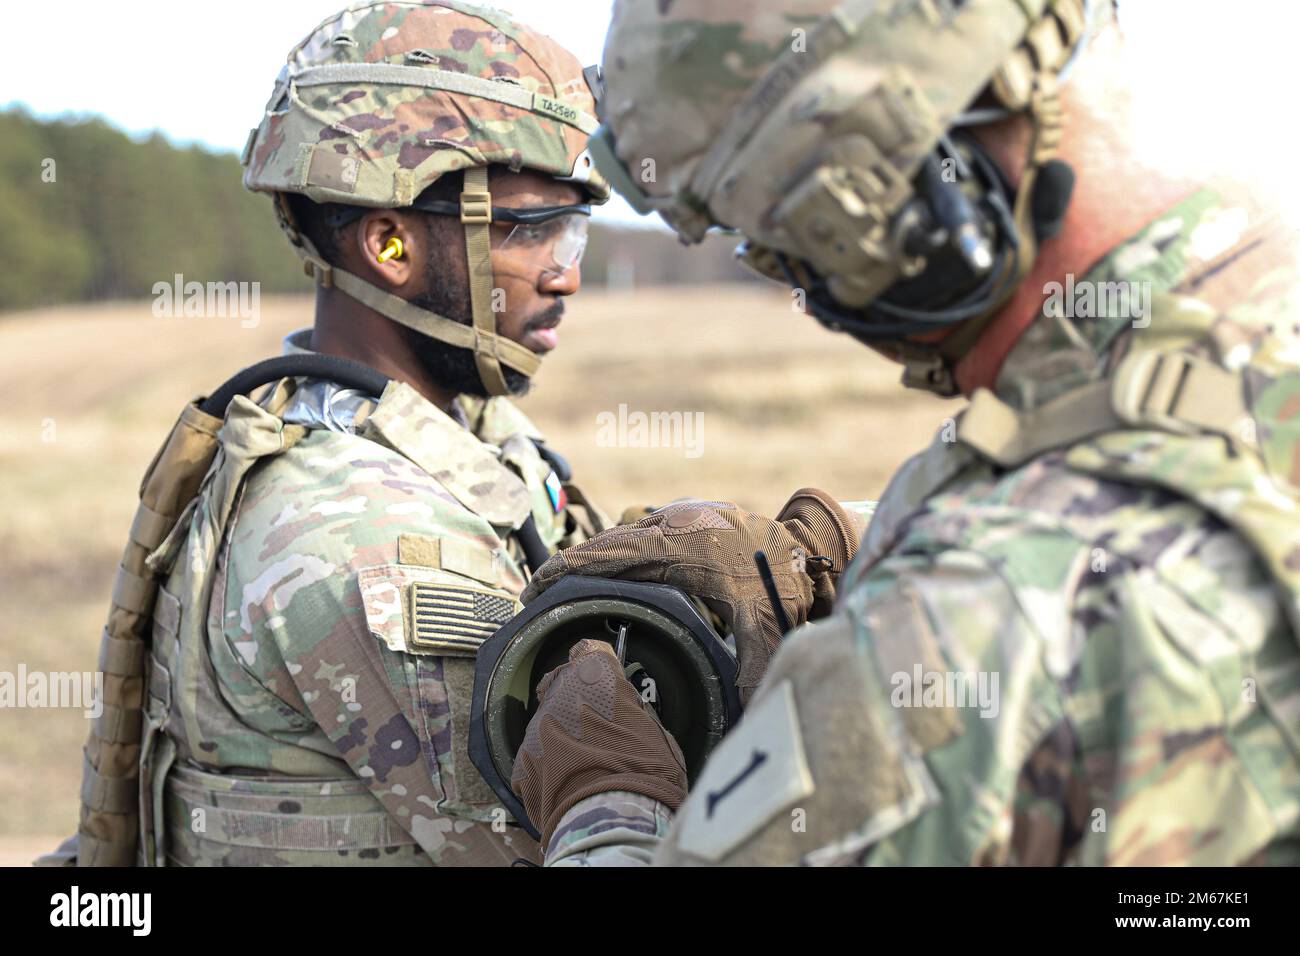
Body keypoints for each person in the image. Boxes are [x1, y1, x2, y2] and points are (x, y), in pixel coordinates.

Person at [509, 0, 1300, 865]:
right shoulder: (1249, 317)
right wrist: (836, 544)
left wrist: (606, 801)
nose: (805, 290)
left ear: (886, 213)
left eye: (782, 239)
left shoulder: (957, 637)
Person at [76, 0, 610, 866]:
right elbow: (564, 845)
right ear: (389, 246)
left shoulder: (456, 432)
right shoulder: (363, 527)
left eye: (573, 226)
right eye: (527, 226)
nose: (565, 272)